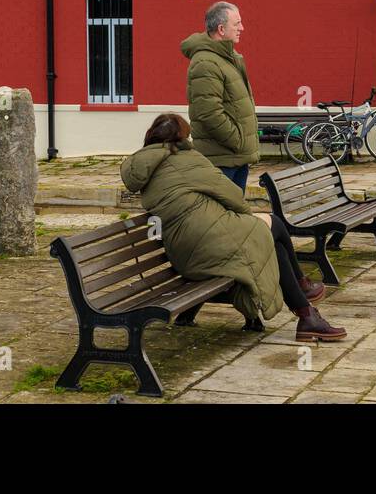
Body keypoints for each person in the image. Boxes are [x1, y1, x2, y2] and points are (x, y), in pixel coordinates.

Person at [121, 113, 346, 341]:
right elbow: (233, 196)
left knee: (269, 242)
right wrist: (245, 219)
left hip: (184, 252)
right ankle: (303, 290)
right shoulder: (187, 160)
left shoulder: (144, 168)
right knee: (274, 225)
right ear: (182, 137)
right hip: (207, 248)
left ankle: (307, 315)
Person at [181, 1, 258, 193]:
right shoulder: (206, 62)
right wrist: (238, 140)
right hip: (222, 159)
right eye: (237, 24)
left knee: (234, 215)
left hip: (235, 157)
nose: (242, 28)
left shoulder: (229, 58)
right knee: (222, 217)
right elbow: (209, 112)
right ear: (221, 29)